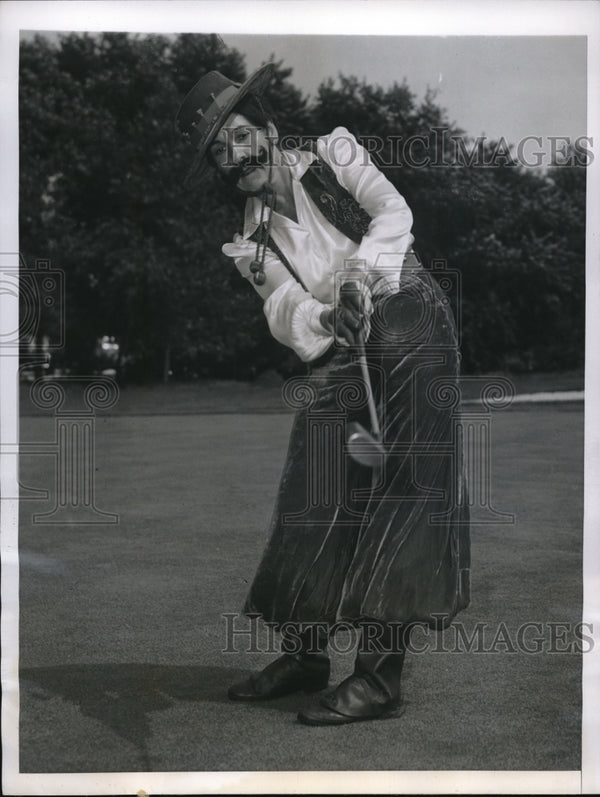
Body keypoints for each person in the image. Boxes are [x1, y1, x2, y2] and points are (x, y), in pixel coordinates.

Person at [176, 64, 470, 726]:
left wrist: (359, 277)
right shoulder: (248, 243)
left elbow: (394, 209)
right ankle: (306, 653)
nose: (237, 157)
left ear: (271, 130)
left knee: (405, 480)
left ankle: (379, 675)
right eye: (220, 151)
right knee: (315, 466)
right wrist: (328, 316)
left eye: (243, 136)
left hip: (411, 314)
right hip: (350, 338)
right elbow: (284, 310)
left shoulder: (336, 153)